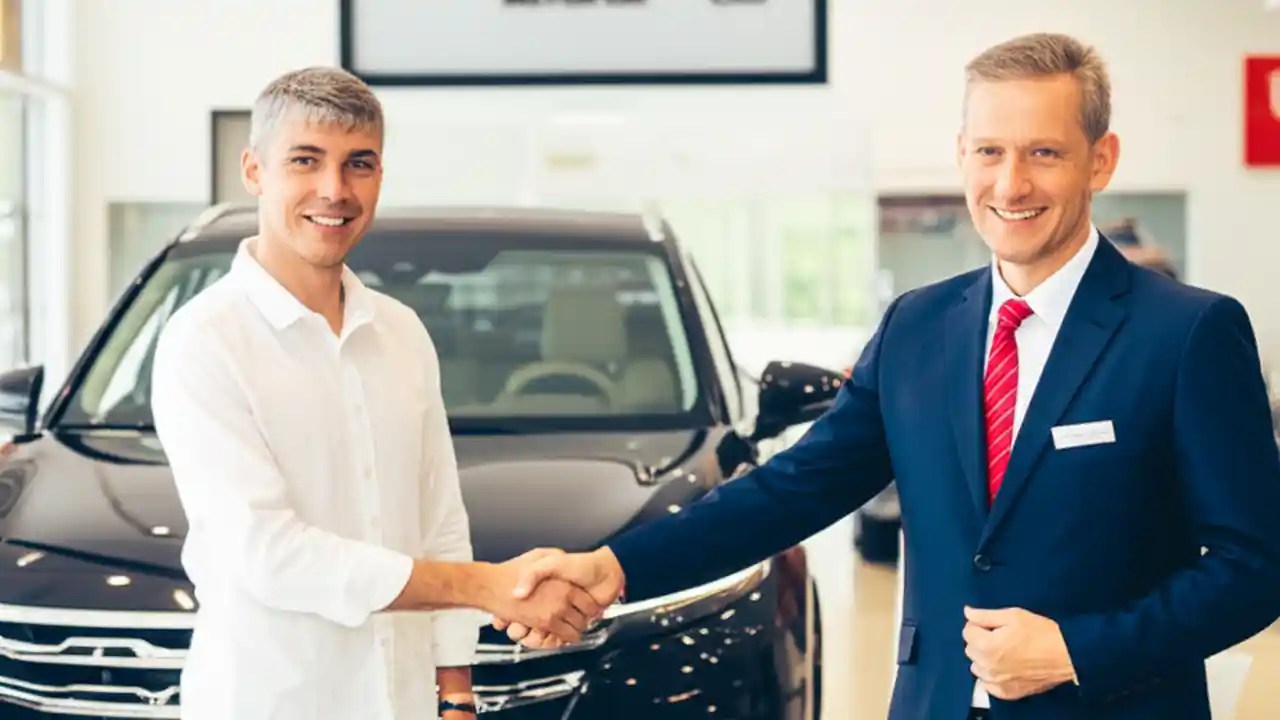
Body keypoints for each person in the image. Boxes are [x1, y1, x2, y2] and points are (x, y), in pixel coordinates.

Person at [494, 33, 1280, 720]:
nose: (1010, 185)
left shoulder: (1186, 333)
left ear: (1100, 159)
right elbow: (792, 490)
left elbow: (1255, 569)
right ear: (962, 153)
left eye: (1044, 152)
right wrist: (616, 568)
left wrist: (1078, 649)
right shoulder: (918, 328)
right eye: (989, 151)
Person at [150, 67, 601, 720]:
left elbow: (440, 519)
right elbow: (268, 554)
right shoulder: (205, 340)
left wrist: (455, 693)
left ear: (380, 177)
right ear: (254, 170)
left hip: (404, 703)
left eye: (358, 164)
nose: (334, 190)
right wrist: (490, 587)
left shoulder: (400, 332)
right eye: (306, 160)